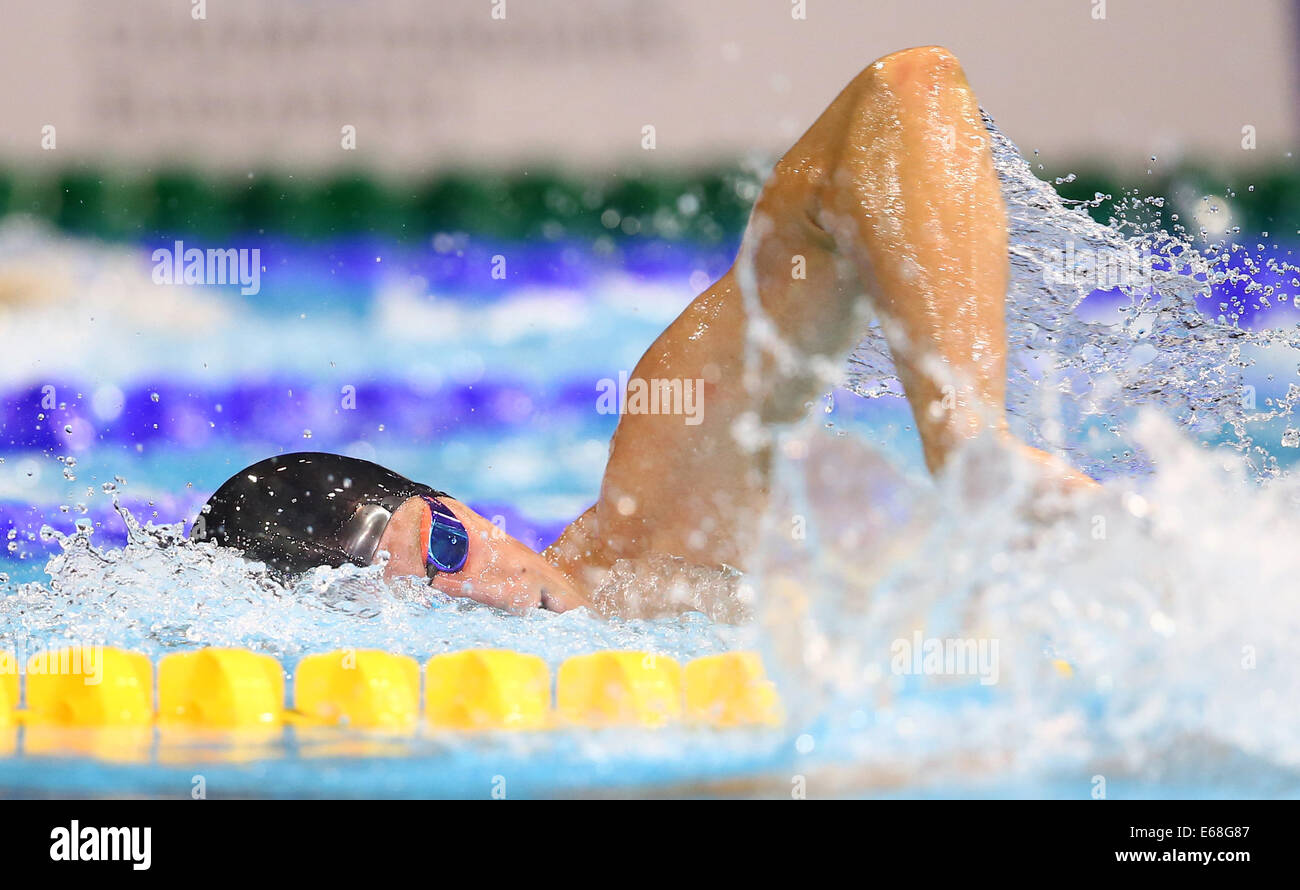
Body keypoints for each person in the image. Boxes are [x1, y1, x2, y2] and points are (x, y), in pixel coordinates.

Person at [191, 46, 1094, 615]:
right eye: (415, 606)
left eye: (448, 549)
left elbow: (906, 89)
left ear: (465, 508)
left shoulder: (658, 530)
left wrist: (966, 435)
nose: (476, 597)